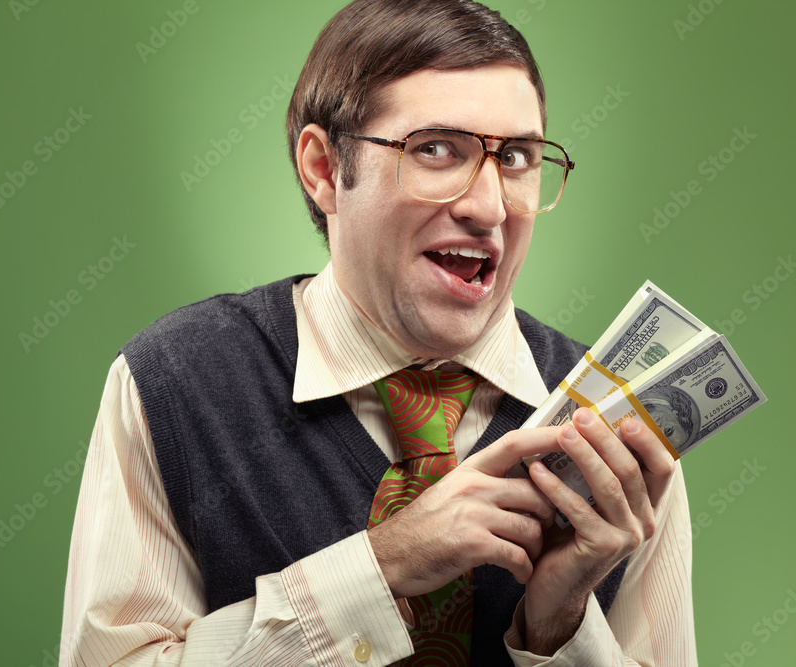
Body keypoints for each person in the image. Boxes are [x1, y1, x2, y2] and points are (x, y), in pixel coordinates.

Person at [60, 0, 697, 664]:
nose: (489, 207)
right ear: (324, 169)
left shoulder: (620, 427)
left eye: (515, 157)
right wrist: (382, 567)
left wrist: (561, 624)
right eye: (436, 149)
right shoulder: (169, 385)